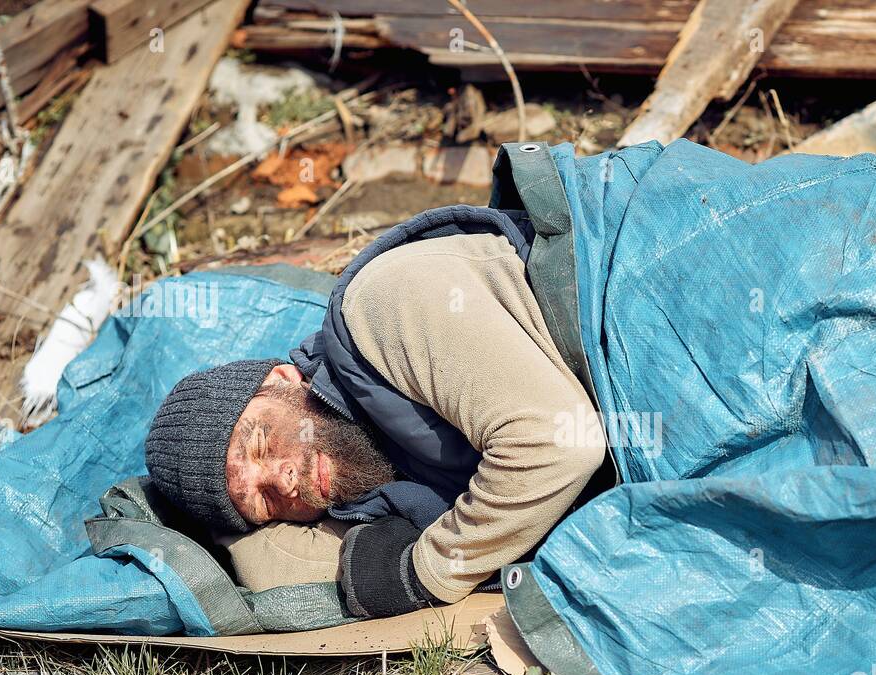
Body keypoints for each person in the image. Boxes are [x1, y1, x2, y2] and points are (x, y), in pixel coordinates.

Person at [144, 226, 606, 619]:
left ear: (282, 378)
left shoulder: (379, 308)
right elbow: (275, 571)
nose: (282, 481)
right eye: (263, 502)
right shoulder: (365, 483)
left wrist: (426, 571)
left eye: (262, 442)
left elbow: (559, 444)